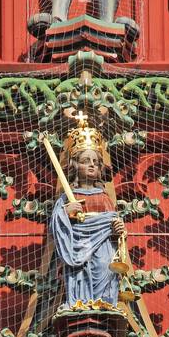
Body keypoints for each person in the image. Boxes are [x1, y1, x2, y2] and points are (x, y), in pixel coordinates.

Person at [49, 123, 125, 310]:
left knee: (105, 268)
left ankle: (104, 303)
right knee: (79, 273)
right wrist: (65, 213)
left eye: (96, 162)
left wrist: (118, 230)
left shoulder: (104, 197)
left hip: (104, 250)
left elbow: (114, 225)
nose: (92, 165)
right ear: (76, 166)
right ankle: (79, 303)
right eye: (86, 161)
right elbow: (56, 225)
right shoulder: (68, 197)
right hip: (78, 247)